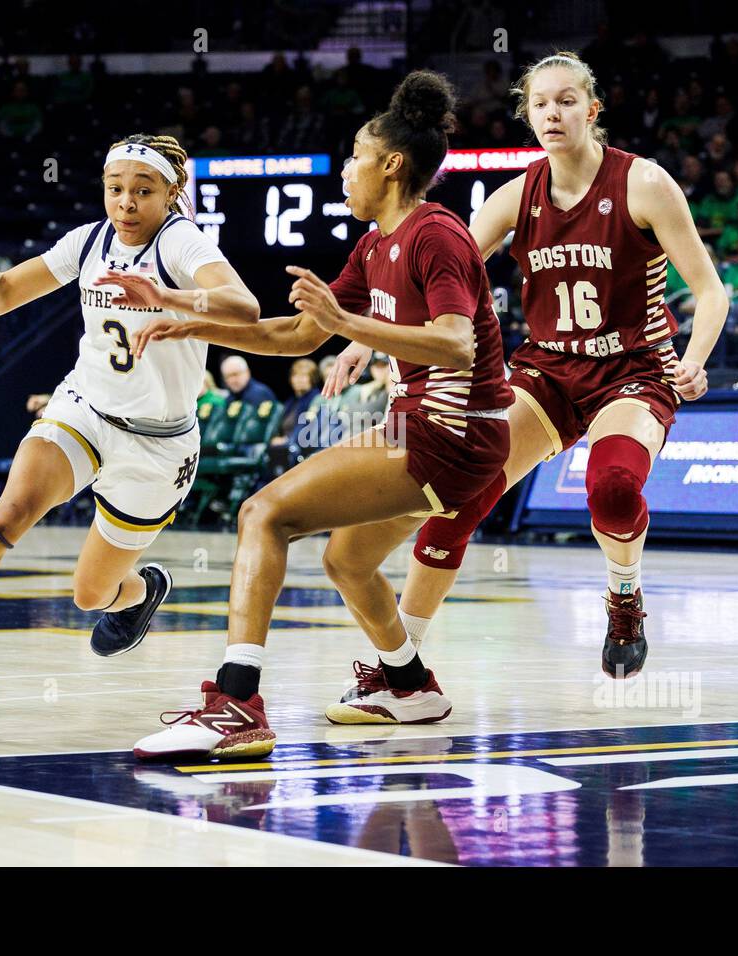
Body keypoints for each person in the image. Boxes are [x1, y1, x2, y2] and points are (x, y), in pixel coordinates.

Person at [129, 70, 518, 758]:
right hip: (427, 429)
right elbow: (300, 335)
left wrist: (351, 325)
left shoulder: (437, 235)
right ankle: (409, 685)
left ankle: (237, 705)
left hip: (452, 434)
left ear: (392, 165)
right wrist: (188, 316)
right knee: (347, 561)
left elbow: (458, 343)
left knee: (263, 513)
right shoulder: (375, 246)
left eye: (355, 159)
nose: (345, 173)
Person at [322, 51, 725, 694]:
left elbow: (710, 291)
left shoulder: (644, 184)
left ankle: (625, 596)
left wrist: (695, 360)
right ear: (527, 115)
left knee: (614, 487)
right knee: (455, 504)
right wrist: (366, 334)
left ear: (593, 111)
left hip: (633, 370)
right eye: (540, 103)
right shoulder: (518, 195)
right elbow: (432, 268)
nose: (552, 113)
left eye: (567, 100)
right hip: (546, 370)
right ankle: (402, 669)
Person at [0, 133, 260, 716]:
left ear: (171, 194)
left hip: (159, 447)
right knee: (9, 512)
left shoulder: (181, 242)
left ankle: (144, 590)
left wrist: (167, 295)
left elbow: (244, 307)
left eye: (142, 191)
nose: (125, 202)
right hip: (86, 409)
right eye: (115, 188)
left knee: (90, 594)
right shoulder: (89, 241)